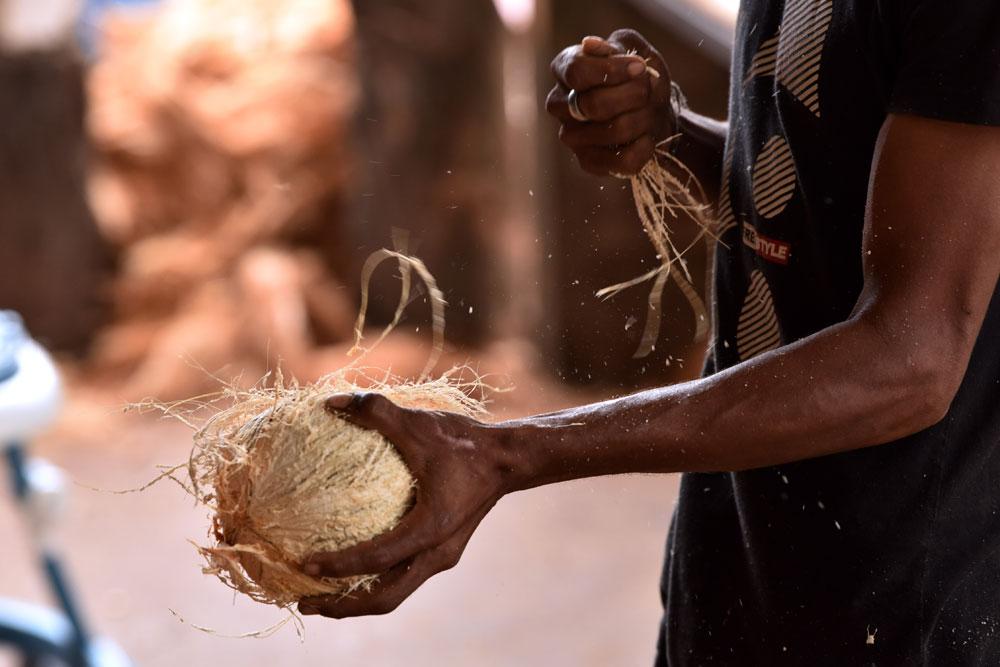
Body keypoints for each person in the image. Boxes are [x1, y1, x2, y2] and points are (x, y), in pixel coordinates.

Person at [297, 3, 1000, 663]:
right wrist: (670, 134)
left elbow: (911, 360)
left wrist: (508, 453)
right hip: (735, 571)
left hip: (905, 611)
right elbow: (817, 201)